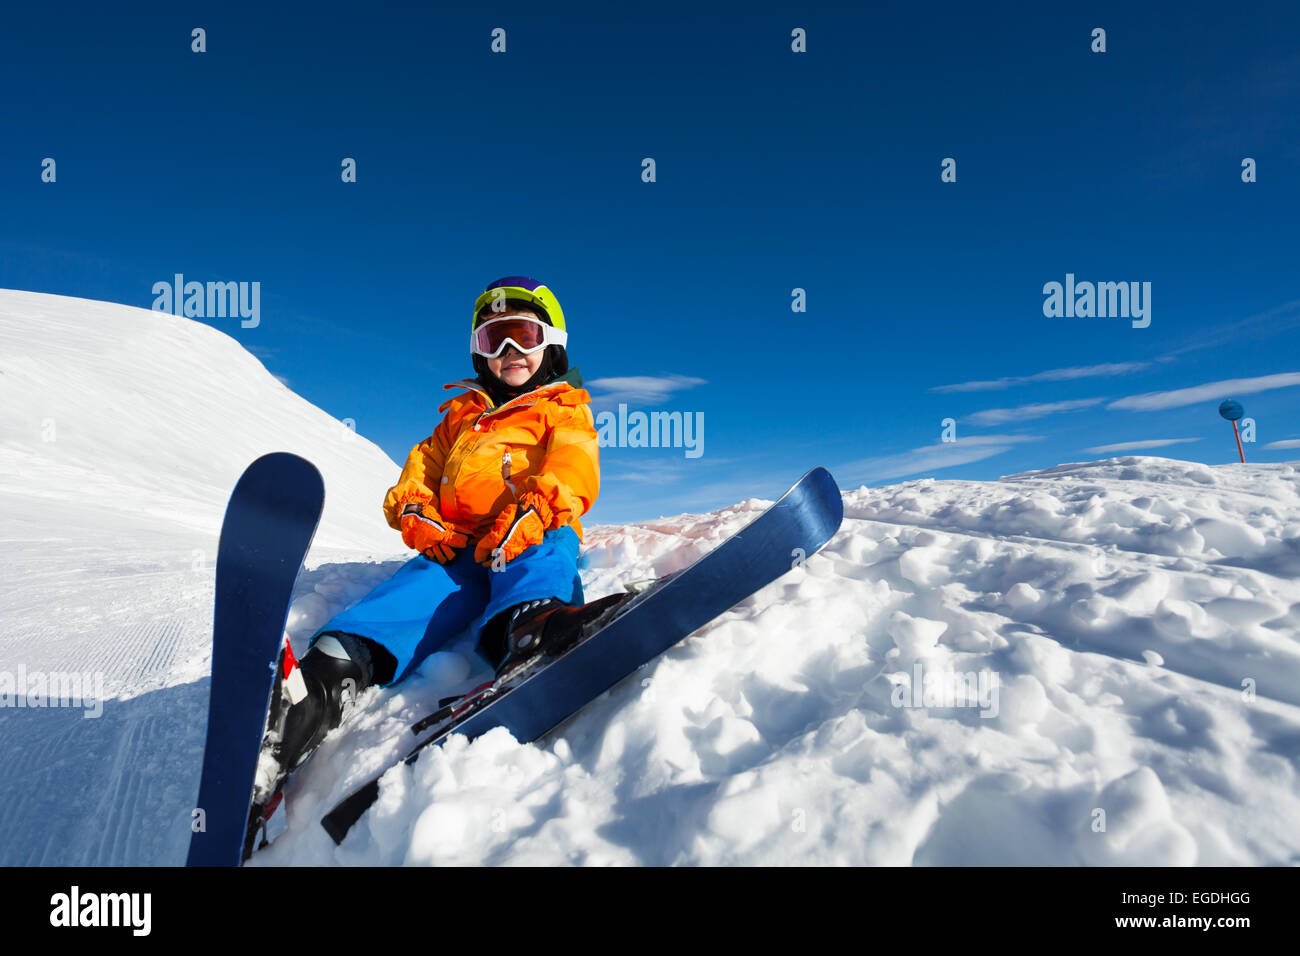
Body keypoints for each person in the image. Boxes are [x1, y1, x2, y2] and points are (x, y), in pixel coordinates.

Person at [257, 276, 601, 794]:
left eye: (523, 337)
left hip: (527, 527)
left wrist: (538, 508)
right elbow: (420, 468)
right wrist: (416, 508)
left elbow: (576, 465)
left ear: (551, 343)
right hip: (460, 543)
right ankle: (328, 680)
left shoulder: (562, 410)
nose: (508, 351)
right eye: (493, 340)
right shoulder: (457, 421)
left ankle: (533, 623)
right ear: (477, 353)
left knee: (545, 550)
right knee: (422, 586)